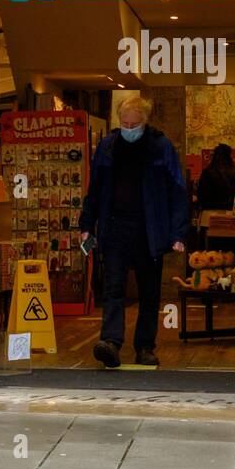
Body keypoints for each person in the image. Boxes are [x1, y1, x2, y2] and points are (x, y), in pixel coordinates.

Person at [79, 96, 189, 368]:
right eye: (124, 123)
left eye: (134, 124)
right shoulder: (107, 147)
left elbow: (177, 190)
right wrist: (86, 225)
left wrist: (178, 233)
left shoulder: (160, 146)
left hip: (149, 230)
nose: (129, 128)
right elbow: (95, 190)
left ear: (145, 122)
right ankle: (111, 342)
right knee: (113, 288)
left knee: (149, 292)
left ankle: (145, 347)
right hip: (114, 226)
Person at [196, 143, 235, 211]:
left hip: (210, 213)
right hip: (230, 214)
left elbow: (201, 195)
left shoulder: (207, 172)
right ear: (229, 155)